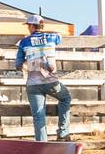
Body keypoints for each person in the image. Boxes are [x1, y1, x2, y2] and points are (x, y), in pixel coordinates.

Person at [15, 13, 71, 142]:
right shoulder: (51, 37)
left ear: (31, 26)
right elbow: (59, 35)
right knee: (65, 98)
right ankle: (63, 132)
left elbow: (18, 64)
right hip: (50, 81)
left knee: (38, 116)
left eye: (28, 25)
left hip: (33, 83)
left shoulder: (24, 42)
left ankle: (41, 144)